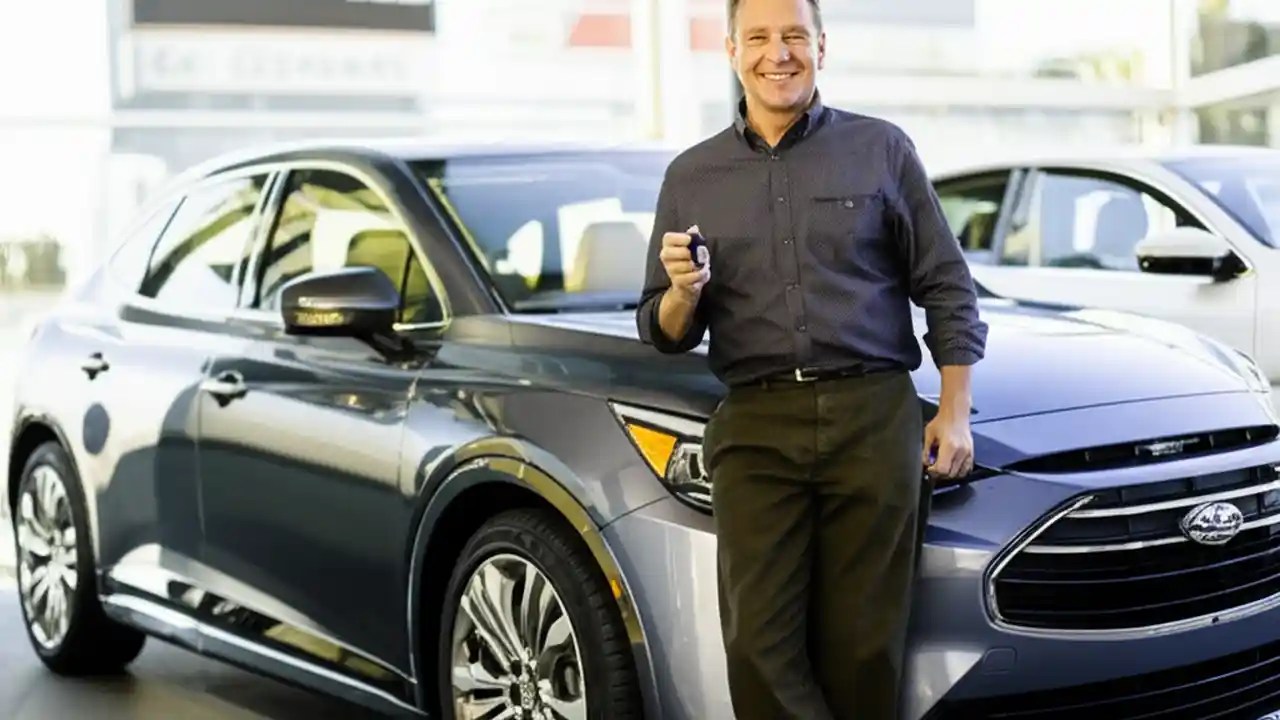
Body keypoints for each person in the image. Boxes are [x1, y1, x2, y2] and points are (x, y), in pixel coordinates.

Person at [633, 0, 989, 718]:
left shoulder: (882, 149)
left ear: (821, 47)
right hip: (758, 423)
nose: (778, 53)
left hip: (874, 416)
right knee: (759, 645)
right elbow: (663, 329)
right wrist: (683, 290)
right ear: (733, 51)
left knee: (865, 647)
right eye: (759, 38)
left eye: (794, 35)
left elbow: (947, 285)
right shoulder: (692, 175)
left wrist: (955, 413)